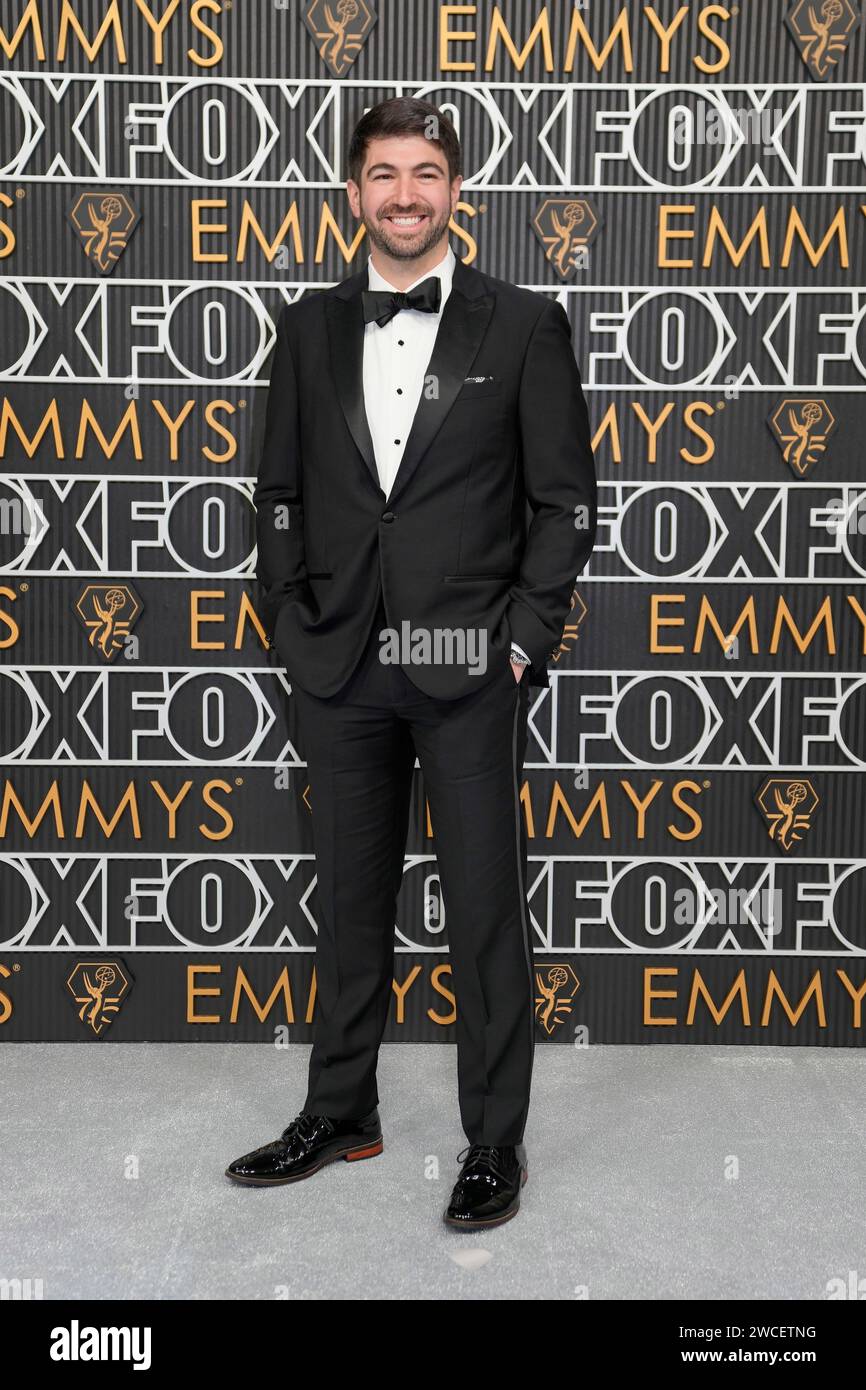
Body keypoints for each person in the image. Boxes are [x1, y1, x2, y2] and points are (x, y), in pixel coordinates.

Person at [226, 96, 597, 1229]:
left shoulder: (523, 324)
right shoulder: (305, 328)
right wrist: (291, 623)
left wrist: (521, 643)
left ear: (454, 191)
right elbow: (278, 493)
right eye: (383, 174)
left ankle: (494, 1143)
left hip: (467, 664)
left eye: (425, 173)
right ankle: (341, 1110)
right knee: (347, 906)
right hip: (340, 664)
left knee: (482, 913)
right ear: (353, 193)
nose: (404, 194)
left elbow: (565, 503)